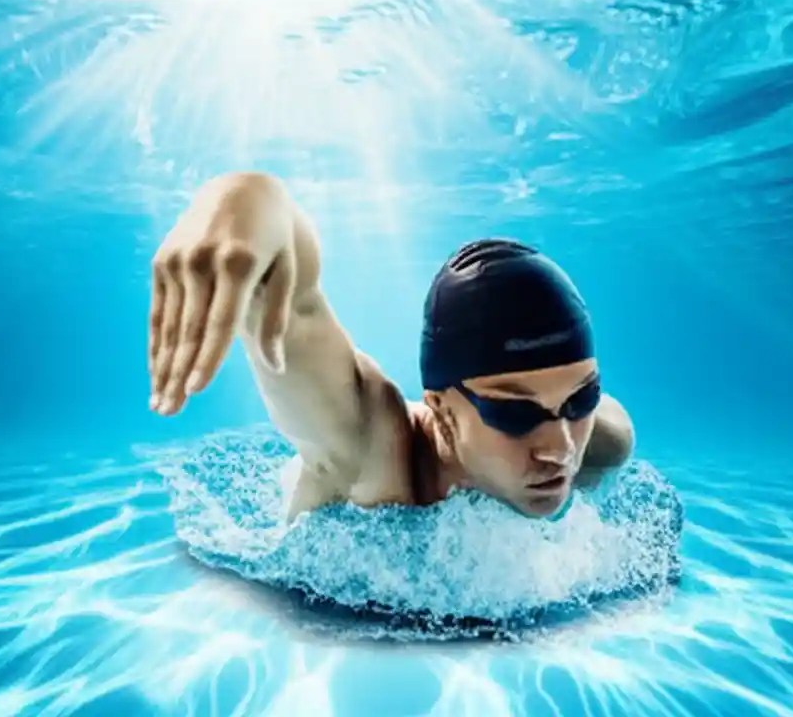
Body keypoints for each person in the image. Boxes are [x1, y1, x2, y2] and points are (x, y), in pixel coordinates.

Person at [147, 171, 635, 521]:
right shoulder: (376, 452)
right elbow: (295, 306)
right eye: (515, 414)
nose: (560, 449)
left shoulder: (601, 443)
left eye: (580, 399)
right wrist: (246, 198)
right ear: (441, 410)